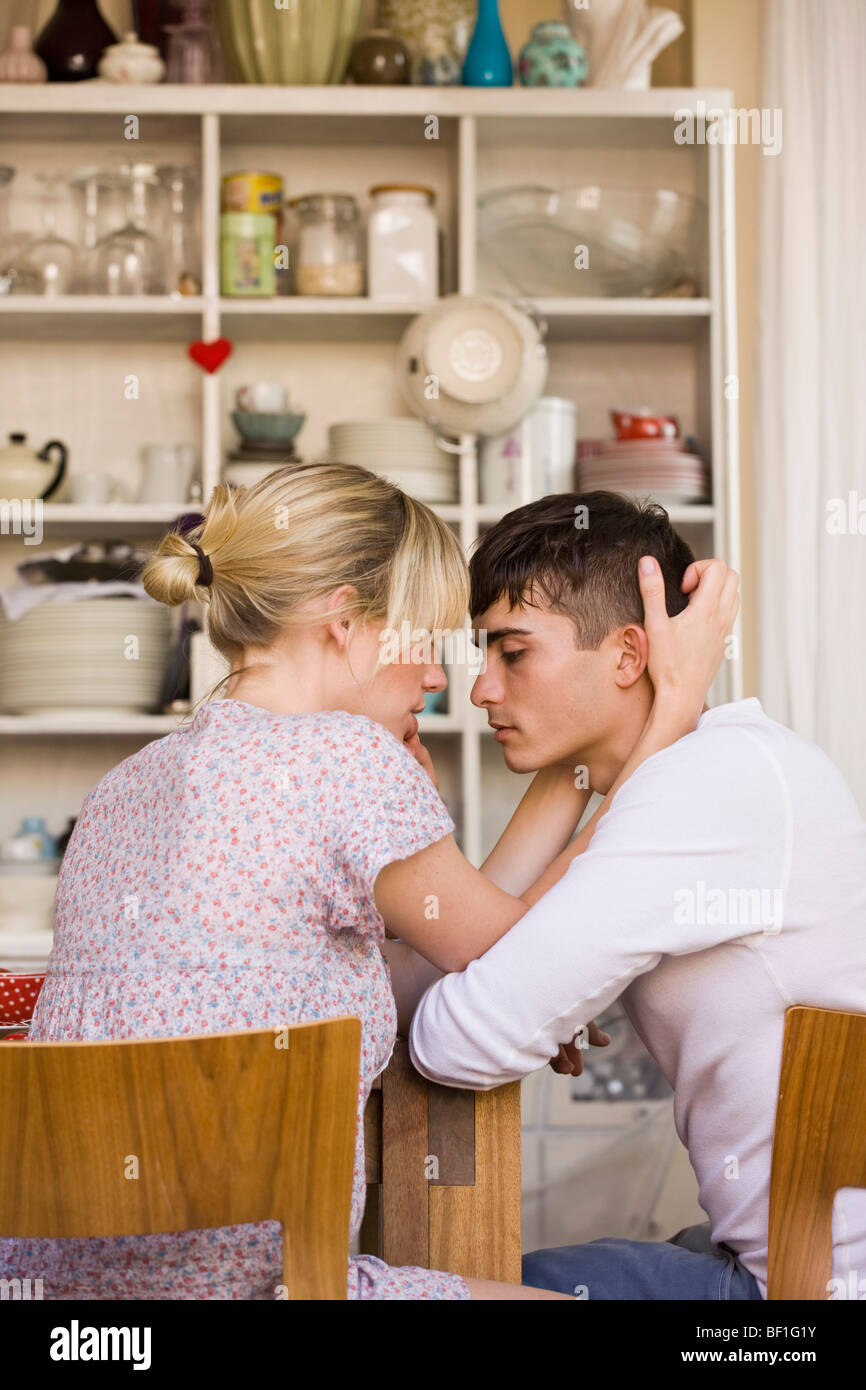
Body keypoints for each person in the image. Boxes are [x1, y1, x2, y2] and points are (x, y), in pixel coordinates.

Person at [0, 465, 735, 1301]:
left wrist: (574, 762)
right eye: (421, 639)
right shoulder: (348, 762)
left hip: (50, 1294)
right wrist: (667, 712)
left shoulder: (125, 784)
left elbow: (466, 946)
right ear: (345, 623)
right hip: (264, 1289)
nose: (435, 677)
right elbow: (517, 952)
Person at [408, 490, 866, 1301]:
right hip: (795, 1258)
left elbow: (453, 1042)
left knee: (451, 1290)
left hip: (806, 1288)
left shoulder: (704, 788)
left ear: (628, 656)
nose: (479, 690)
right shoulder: (728, 765)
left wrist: (519, 992)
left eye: (512, 652)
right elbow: (469, 952)